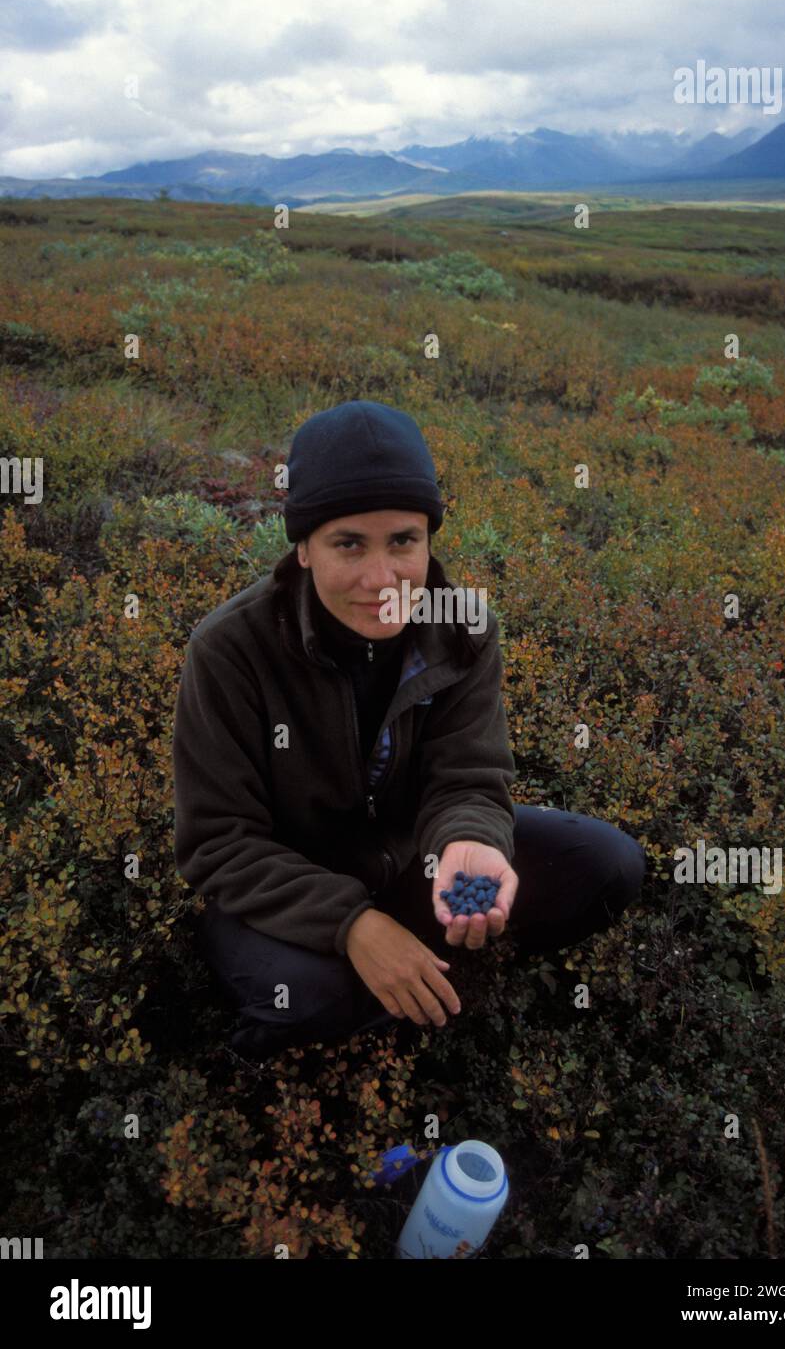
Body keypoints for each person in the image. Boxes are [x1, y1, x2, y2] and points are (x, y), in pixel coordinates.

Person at [172, 399, 645, 1062]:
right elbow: (219, 842)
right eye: (348, 544)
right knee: (308, 996)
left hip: (407, 863)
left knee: (607, 865)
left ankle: (431, 972)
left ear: (429, 539)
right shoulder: (230, 649)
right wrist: (353, 926)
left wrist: (471, 845)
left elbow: (469, 779)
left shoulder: (464, 628)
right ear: (303, 547)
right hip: (283, 893)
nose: (381, 578)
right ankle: (289, 1052)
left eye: (403, 541)